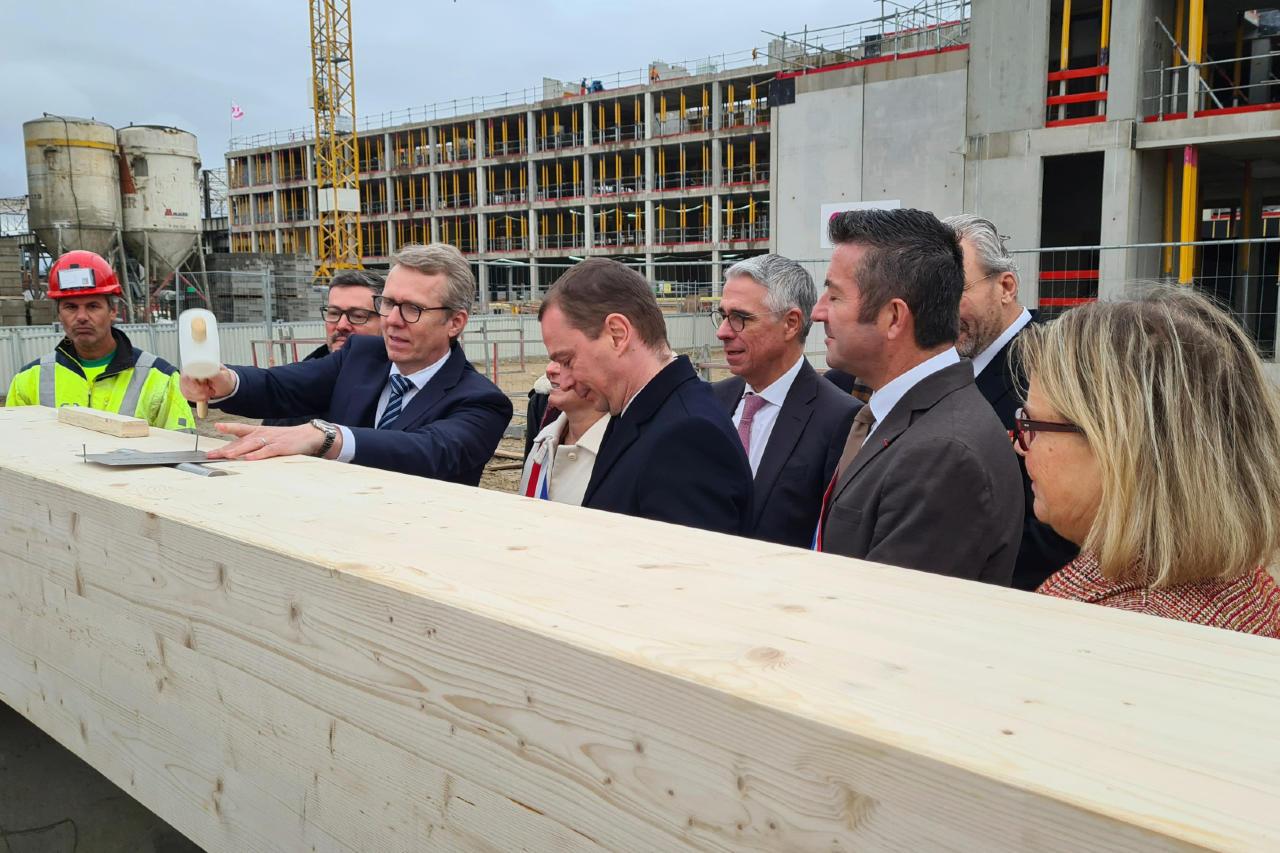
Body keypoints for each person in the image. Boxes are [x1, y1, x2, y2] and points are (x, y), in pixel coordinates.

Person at [1015, 290, 1280, 637]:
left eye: (1031, 425)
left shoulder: (1128, 635)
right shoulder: (1235, 579)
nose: (1021, 447)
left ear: (1119, 448)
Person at [181, 243, 512, 486]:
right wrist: (225, 381)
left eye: (413, 309)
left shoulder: (481, 401)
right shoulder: (361, 357)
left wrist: (326, 436)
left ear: (455, 322)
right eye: (388, 304)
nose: (392, 321)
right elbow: (282, 386)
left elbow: (428, 452)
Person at [811, 208, 1022, 583]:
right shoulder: (903, 418)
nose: (818, 312)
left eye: (835, 296)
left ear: (894, 318)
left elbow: (884, 619)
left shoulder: (943, 454)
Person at [538, 257, 752, 535]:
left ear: (617, 334)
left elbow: (683, 574)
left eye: (568, 360)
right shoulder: (641, 412)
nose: (564, 379)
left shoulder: (687, 437)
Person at [943, 214, 1078, 591]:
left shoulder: (1055, 367)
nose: (940, 311)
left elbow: (1058, 532)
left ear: (1005, 286)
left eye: (956, 290)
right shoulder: (949, 367)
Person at [710, 254, 860, 548]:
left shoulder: (840, 418)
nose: (723, 332)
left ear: (791, 324)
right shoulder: (714, 400)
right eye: (723, 315)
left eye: (740, 318)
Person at [5, 250, 193, 432]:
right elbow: (15, 449)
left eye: (93, 306)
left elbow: (183, 449)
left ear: (113, 311)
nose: (81, 317)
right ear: (59, 314)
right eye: (70, 307)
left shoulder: (161, 378)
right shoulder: (28, 380)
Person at [263, 268, 384, 427]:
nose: (341, 325)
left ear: (386, 321)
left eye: (358, 316)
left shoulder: (397, 393)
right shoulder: (299, 386)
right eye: (333, 313)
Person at [518, 360, 610, 505]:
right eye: (552, 359)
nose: (549, 369)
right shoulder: (544, 441)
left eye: (567, 360)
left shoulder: (625, 454)